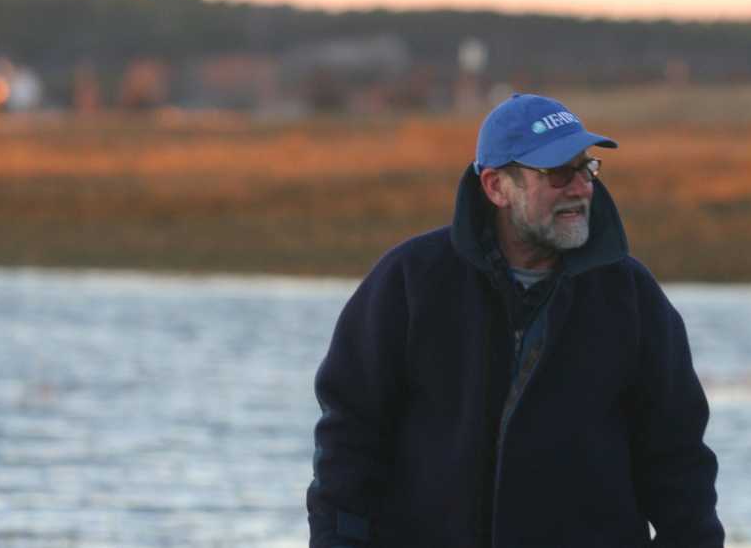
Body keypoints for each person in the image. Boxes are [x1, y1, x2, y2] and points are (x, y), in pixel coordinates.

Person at [308, 93, 723, 548]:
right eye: (558, 173)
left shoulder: (632, 296)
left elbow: (679, 462)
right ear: (495, 186)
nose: (581, 188)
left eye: (586, 168)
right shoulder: (409, 282)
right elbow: (349, 442)